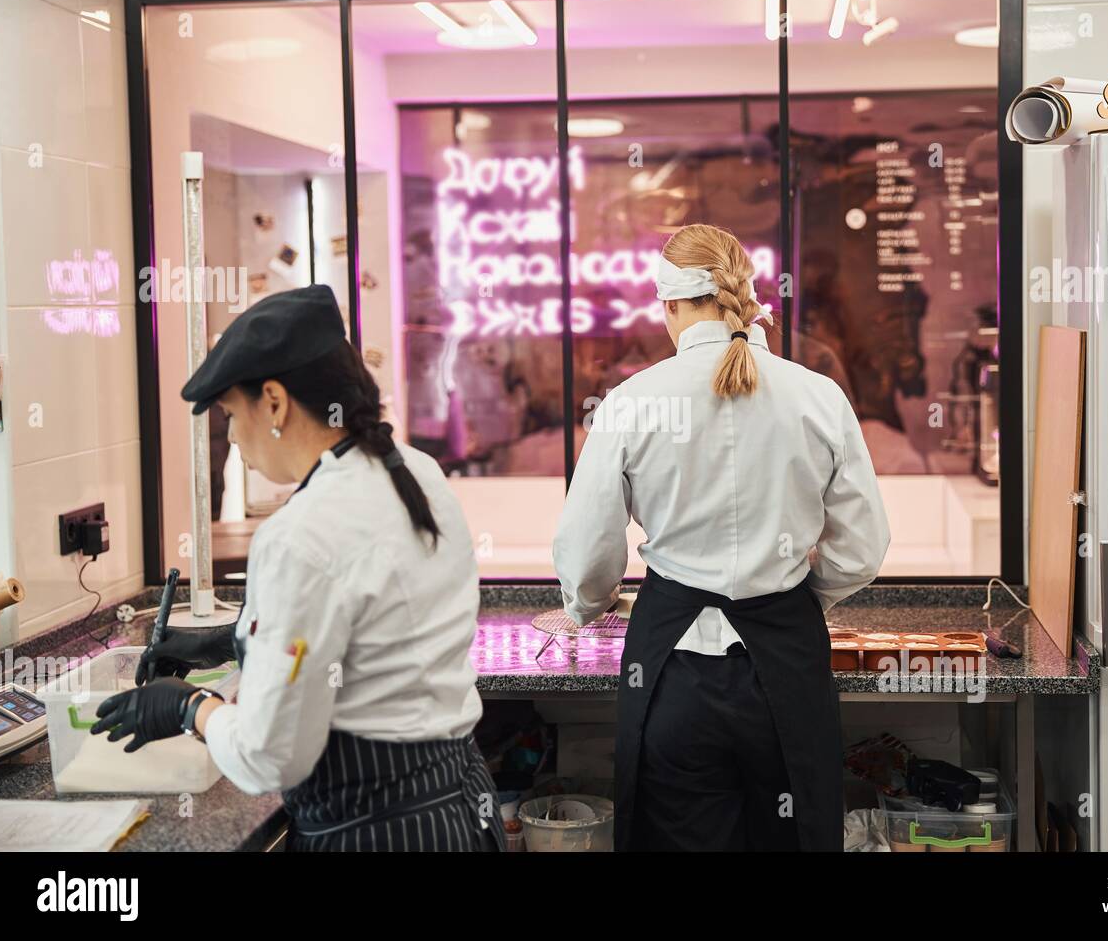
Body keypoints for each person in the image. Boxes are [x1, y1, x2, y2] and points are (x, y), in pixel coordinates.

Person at [92, 284, 502, 852]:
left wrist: (190, 707)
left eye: (233, 413)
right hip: (459, 809)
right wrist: (234, 642)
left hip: (375, 833)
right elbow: (374, 640)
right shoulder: (418, 473)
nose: (232, 436)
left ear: (276, 402)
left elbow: (267, 758)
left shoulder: (299, 535)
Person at [553, 224, 890, 851]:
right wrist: (795, 603)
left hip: (673, 677)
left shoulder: (631, 402)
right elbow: (863, 548)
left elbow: (587, 553)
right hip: (784, 674)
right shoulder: (818, 396)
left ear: (671, 306)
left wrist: (586, 608)